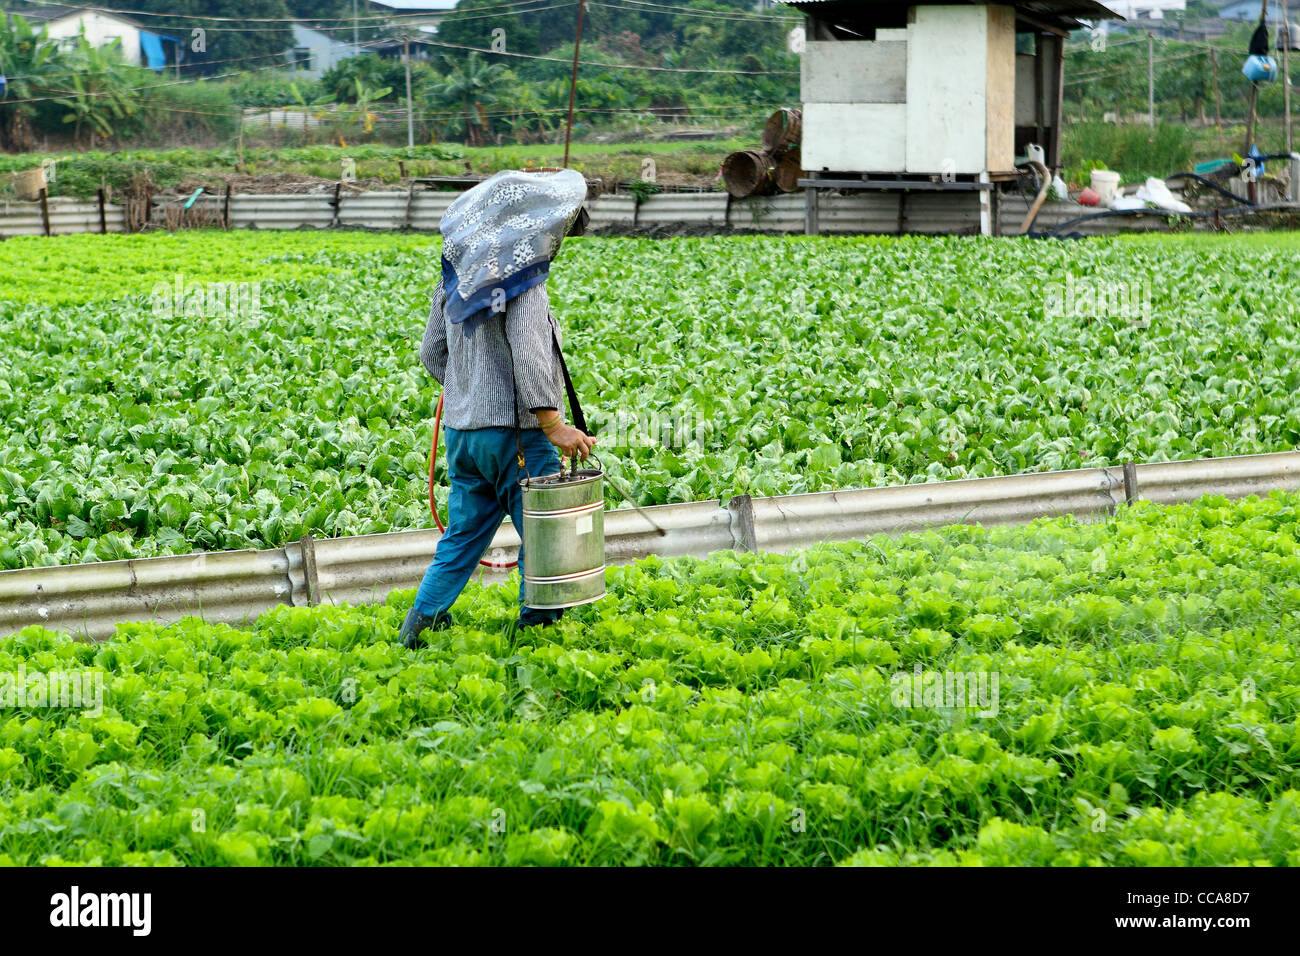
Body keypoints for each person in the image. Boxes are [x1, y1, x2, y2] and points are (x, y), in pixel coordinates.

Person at [399, 169, 596, 649]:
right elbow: (530, 354)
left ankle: (419, 623)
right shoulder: (524, 283)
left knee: (463, 535)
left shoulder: (457, 278)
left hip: (464, 435)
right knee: (543, 534)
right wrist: (552, 424)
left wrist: (469, 392)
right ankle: (539, 631)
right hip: (517, 436)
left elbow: (431, 352)